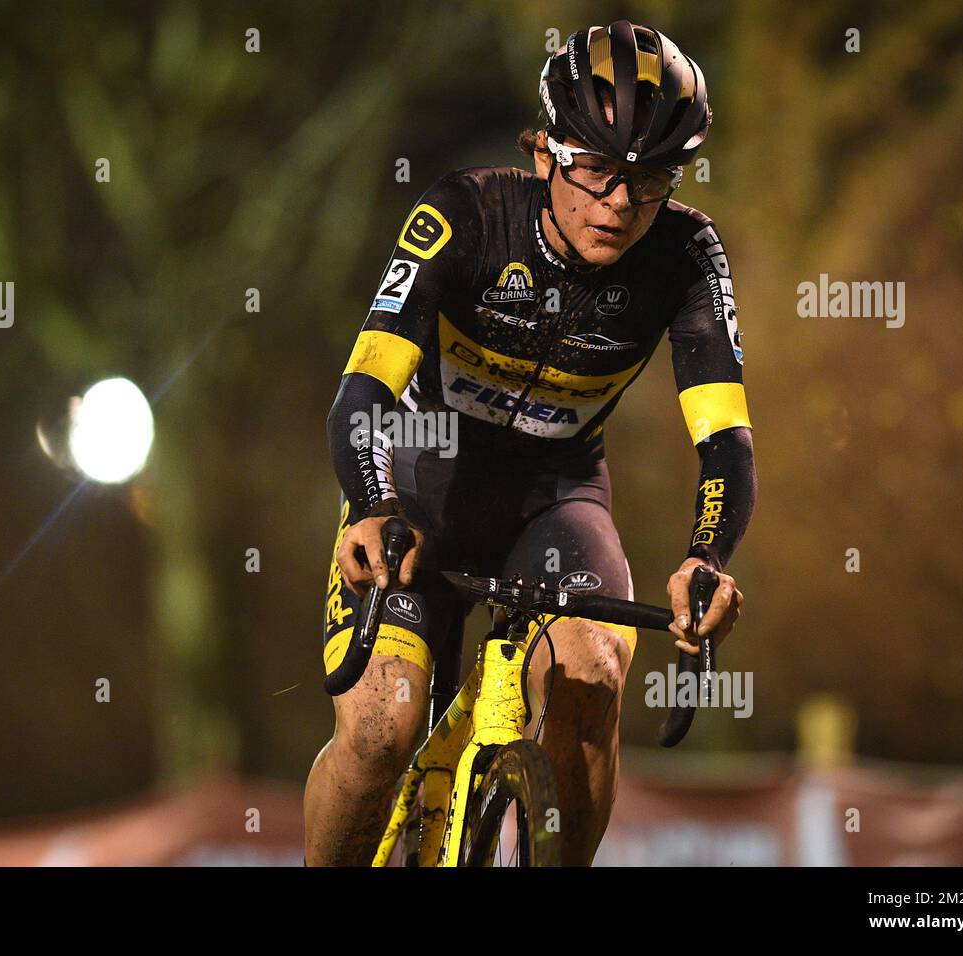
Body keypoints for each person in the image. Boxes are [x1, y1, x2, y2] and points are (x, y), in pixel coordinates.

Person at [304, 19, 756, 866]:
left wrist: (708, 557)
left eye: (650, 177)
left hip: (557, 502)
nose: (620, 202)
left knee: (592, 681)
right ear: (545, 152)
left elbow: (725, 438)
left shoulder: (688, 254)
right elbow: (363, 388)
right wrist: (373, 505)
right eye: (595, 169)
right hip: (418, 490)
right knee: (381, 728)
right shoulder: (465, 214)